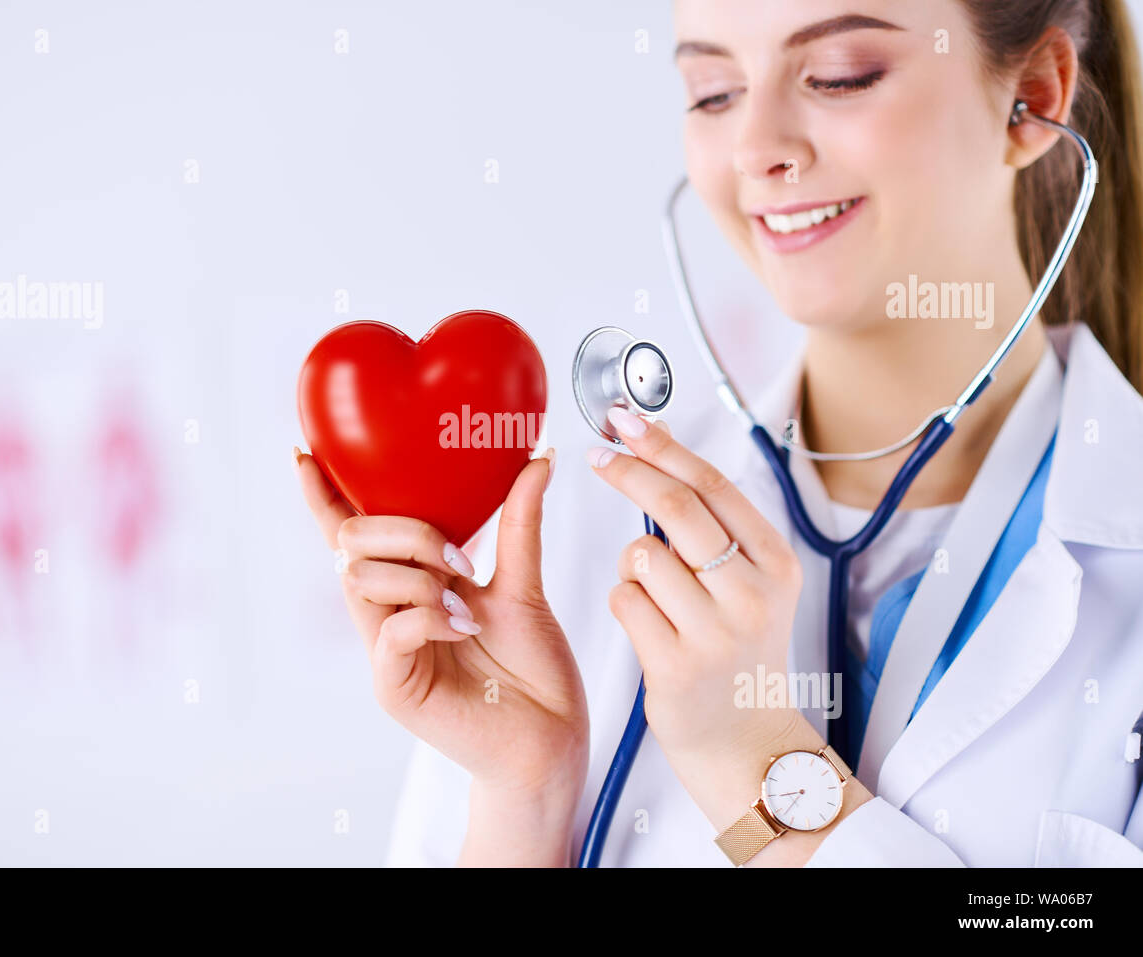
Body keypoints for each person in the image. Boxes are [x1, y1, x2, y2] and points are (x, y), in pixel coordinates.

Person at [295, 0, 1143, 866]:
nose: (756, 147)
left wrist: (758, 766)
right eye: (712, 91)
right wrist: (527, 793)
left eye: (838, 76)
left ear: (1035, 96)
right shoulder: (568, 541)